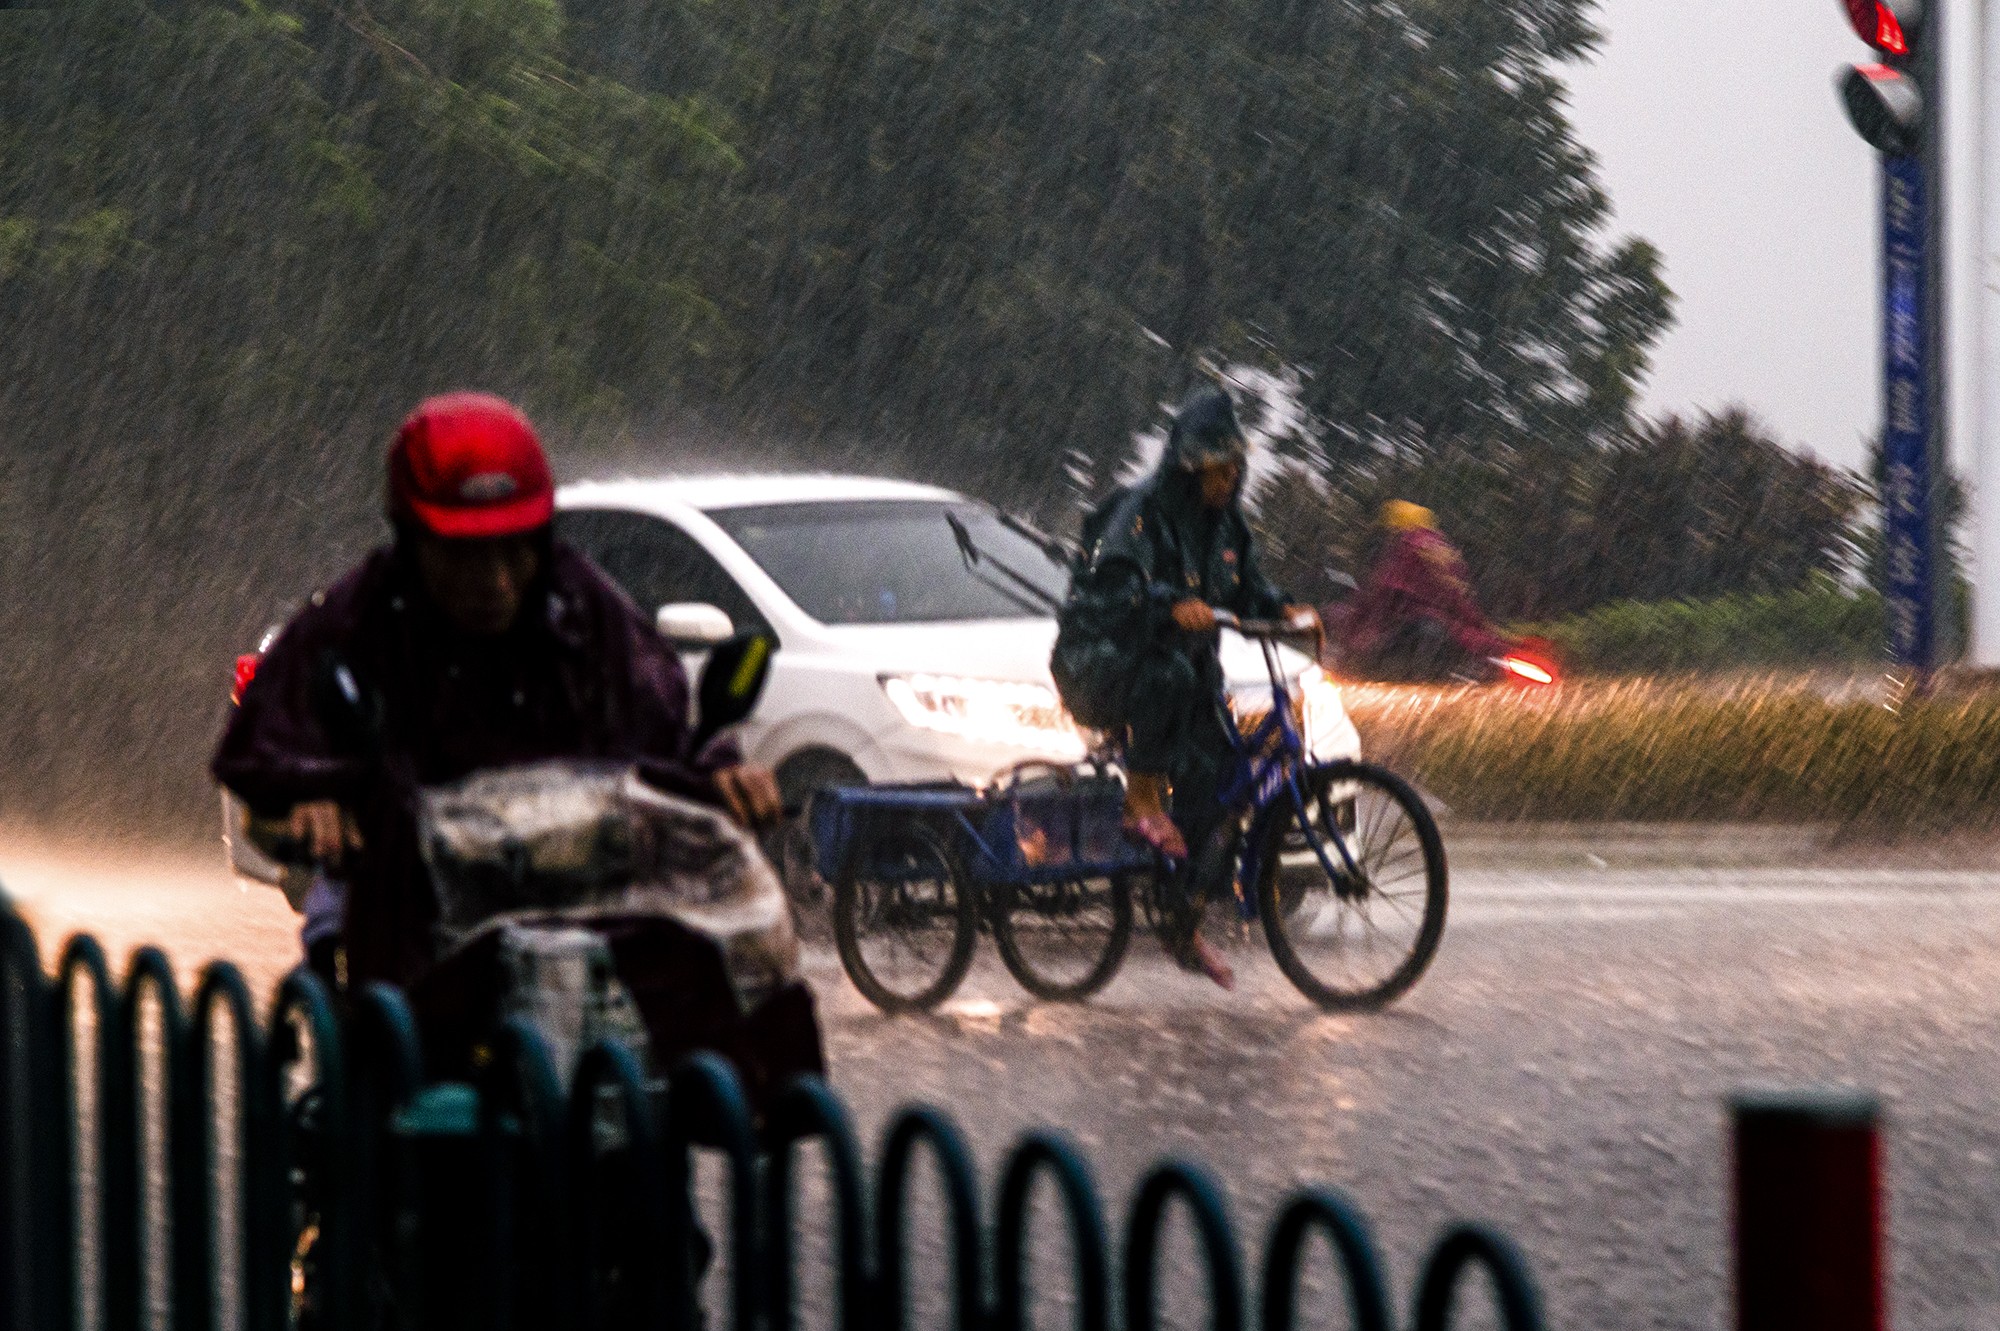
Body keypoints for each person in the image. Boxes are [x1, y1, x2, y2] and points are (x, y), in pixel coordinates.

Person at [212, 392, 783, 991]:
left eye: (516, 550)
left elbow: (664, 720)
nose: (497, 581)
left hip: (577, 908)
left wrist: (722, 773)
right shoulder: (355, 620)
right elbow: (263, 766)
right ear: (412, 543)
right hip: (409, 917)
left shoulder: (583, 607)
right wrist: (310, 802)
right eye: (463, 555)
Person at [1052, 384, 1318, 990]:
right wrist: (1169, 606)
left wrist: (1287, 610)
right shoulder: (1139, 512)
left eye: (1229, 469)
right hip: (1106, 662)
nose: (1222, 482)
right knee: (1169, 673)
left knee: (1218, 779)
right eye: (1210, 470)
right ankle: (1140, 802)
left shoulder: (1227, 526)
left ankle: (1181, 915)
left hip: (1183, 678)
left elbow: (1248, 588)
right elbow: (1114, 591)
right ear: (1186, 467)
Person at [1330, 500, 1514, 681]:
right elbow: (1458, 595)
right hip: (1452, 627)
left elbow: (1384, 593)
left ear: (1394, 527)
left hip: (1423, 627)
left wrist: (1361, 615)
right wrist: (1480, 625)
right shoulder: (1443, 548)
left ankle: (1403, 676)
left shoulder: (1406, 548)